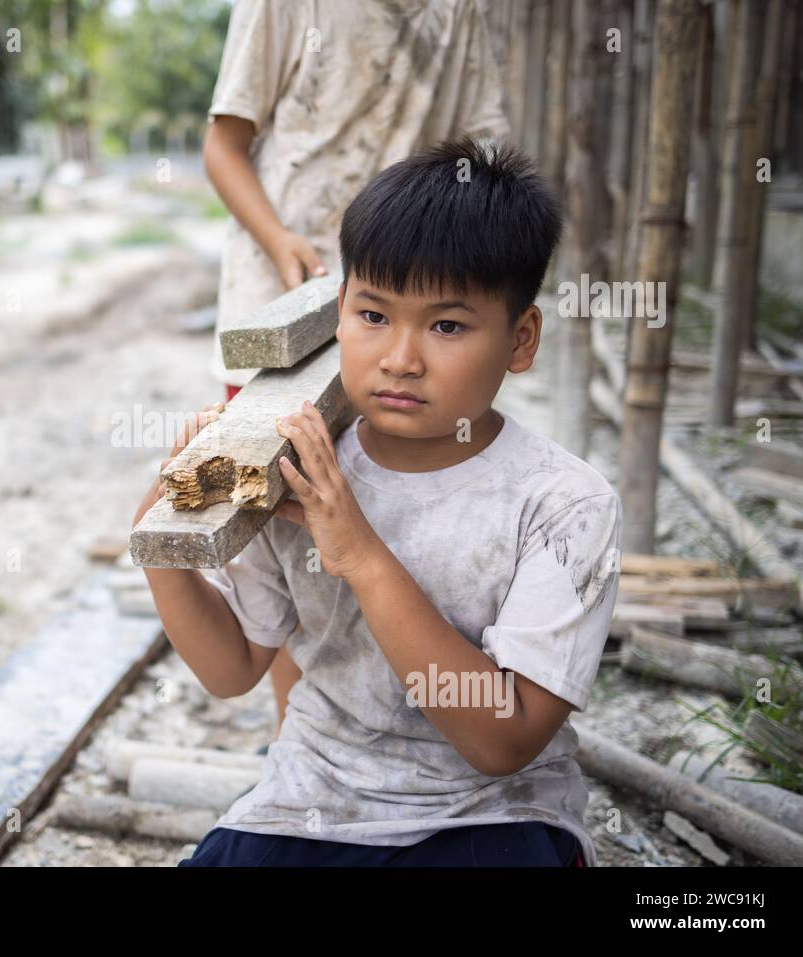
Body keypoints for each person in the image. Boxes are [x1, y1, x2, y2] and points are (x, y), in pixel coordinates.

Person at [134, 137, 621, 866]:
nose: (400, 356)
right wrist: (164, 524)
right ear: (338, 313)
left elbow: (501, 740)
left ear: (521, 340)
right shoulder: (299, 464)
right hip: (313, 801)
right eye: (373, 315)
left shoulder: (563, 504)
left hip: (490, 817)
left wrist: (360, 552)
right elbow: (233, 666)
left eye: (447, 325)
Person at [202, 0, 513, 738]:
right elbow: (223, 145)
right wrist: (282, 242)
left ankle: (398, 731)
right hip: (283, 309)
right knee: (284, 522)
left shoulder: (459, 10)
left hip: (403, 306)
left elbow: (484, 147)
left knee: (381, 516)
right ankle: (299, 741)